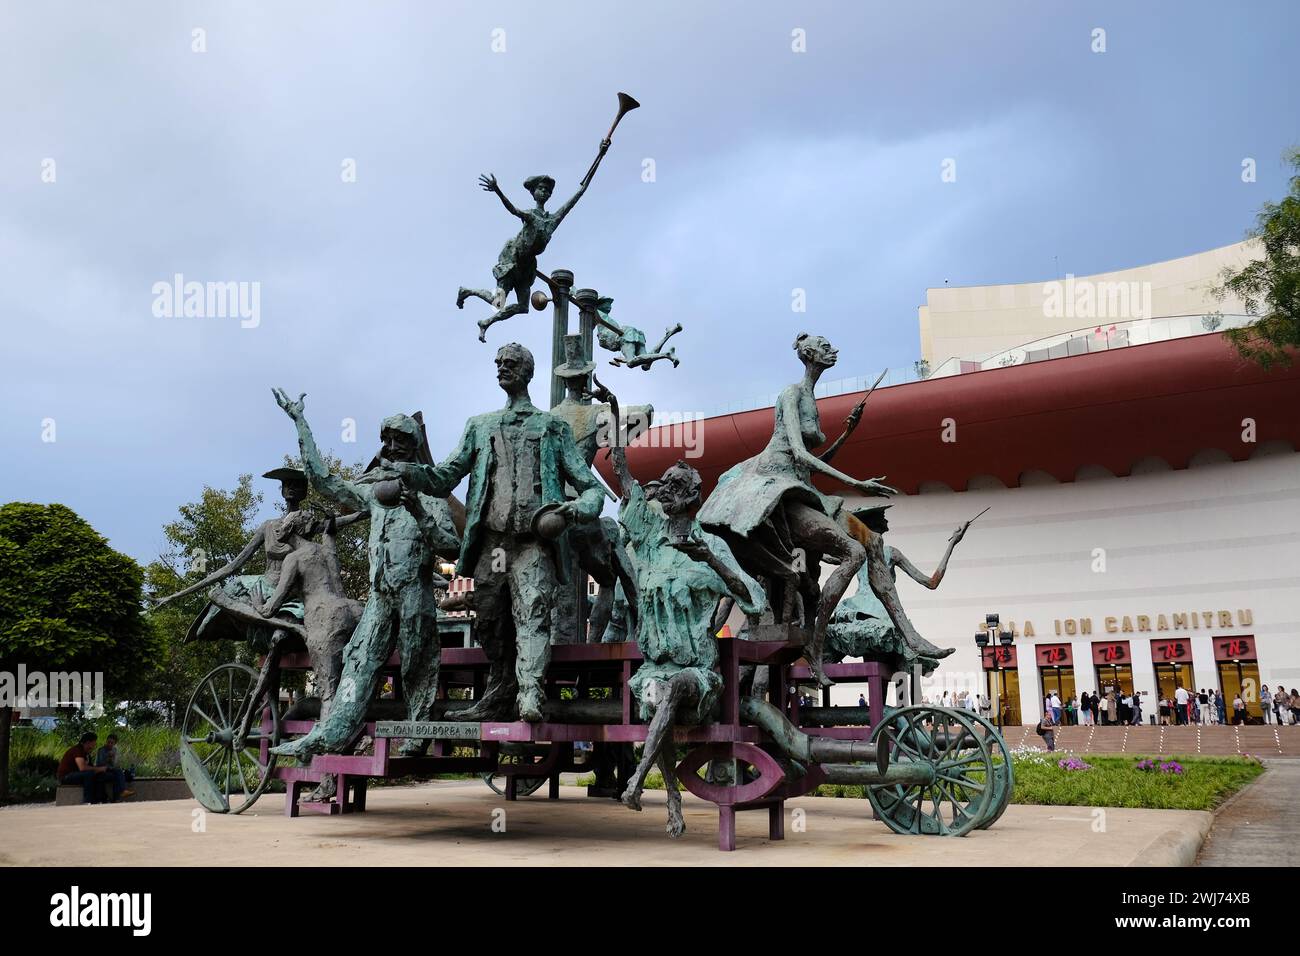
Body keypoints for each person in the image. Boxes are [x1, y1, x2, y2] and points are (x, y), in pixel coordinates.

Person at [403, 343, 606, 722]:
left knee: (533, 610)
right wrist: (409, 470)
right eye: (498, 363)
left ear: (527, 372)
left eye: (510, 363)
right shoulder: (479, 426)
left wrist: (577, 509)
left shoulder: (552, 427)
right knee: (490, 620)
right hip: (494, 547)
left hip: (534, 544)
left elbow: (591, 487)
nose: (501, 368)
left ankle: (530, 694)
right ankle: (499, 694)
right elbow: (445, 475)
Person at [696, 333, 898, 686]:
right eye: (824, 346)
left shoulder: (811, 397)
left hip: (799, 487)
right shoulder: (791, 393)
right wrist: (858, 484)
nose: (832, 349)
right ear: (808, 355)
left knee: (856, 552)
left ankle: (820, 641)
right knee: (851, 552)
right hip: (777, 487)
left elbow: (807, 464)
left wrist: (846, 435)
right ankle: (814, 648)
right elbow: (800, 455)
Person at [58, 733, 132, 804]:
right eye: (93, 743)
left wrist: (102, 770)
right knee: (89, 774)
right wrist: (99, 768)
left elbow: (91, 767)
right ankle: (88, 800)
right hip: (66, 776)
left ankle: (109, 798)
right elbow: (82, 767)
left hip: (79, 774)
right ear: (88, 742)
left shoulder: (86, 753)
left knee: (103, 776)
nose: (94, 745)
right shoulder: (77, 750)